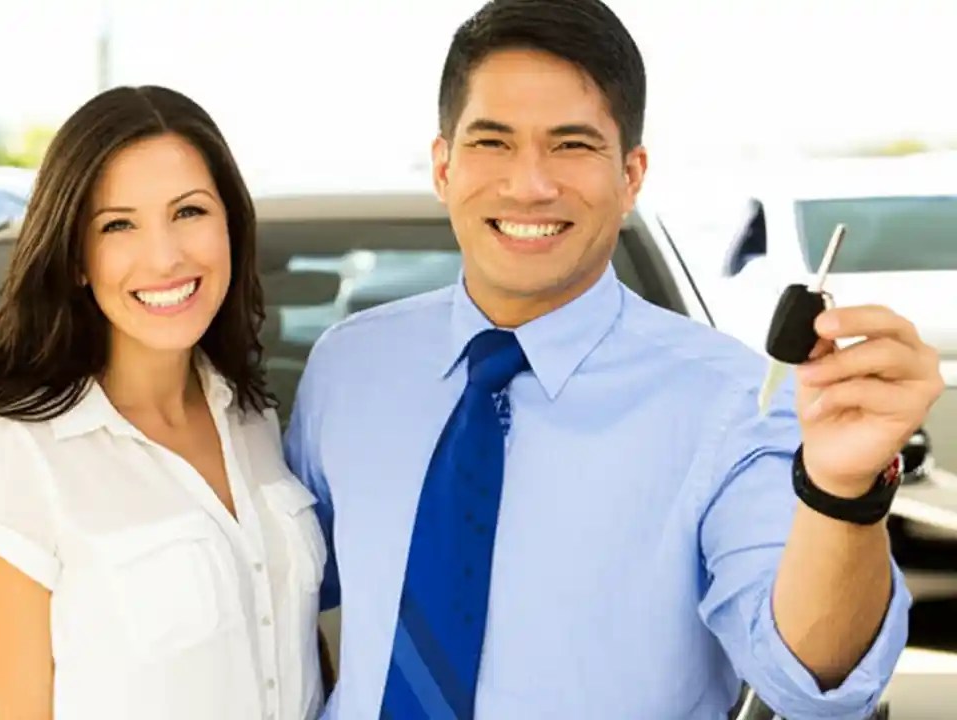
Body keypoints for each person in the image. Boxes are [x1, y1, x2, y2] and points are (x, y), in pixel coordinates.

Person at [283, 1, 944, 718]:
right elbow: (271, 587)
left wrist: (843, 495)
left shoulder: (732, 404)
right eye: (492, 142)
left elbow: (815, 684)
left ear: (631, 174)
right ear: (444, 165)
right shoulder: (349, 368)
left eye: (571, 145)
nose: (530, 184)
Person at [0, 85, 328, 720]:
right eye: (118, 224)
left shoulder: (253, 417)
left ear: (231, 223)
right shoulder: (18, 451)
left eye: (190, 212)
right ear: (75, 259)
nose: (165, 256)